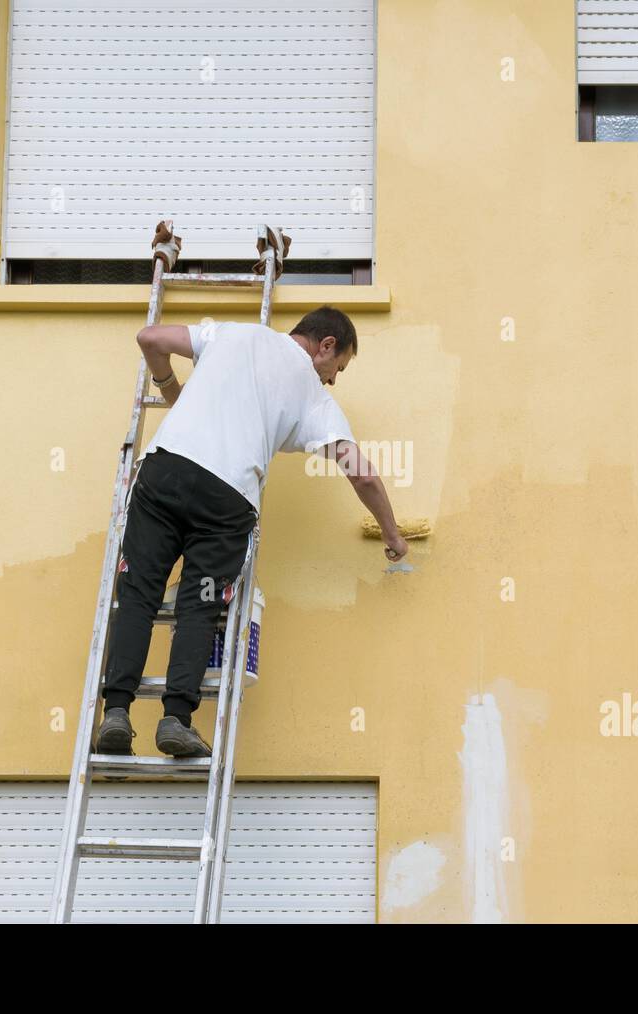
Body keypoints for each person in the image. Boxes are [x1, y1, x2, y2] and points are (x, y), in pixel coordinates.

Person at [95, 305, 408, 759]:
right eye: (337, 368)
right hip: (225, 502)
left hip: (165, 474)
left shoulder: (234, 334)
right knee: (200, 605)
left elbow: (150, 339)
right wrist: (392, 535)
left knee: (139, 592)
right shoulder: (314, 396)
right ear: (326, 346)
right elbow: (360, 474)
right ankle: (176, 721)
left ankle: (116, 714)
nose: (333, 380)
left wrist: (170, 390)